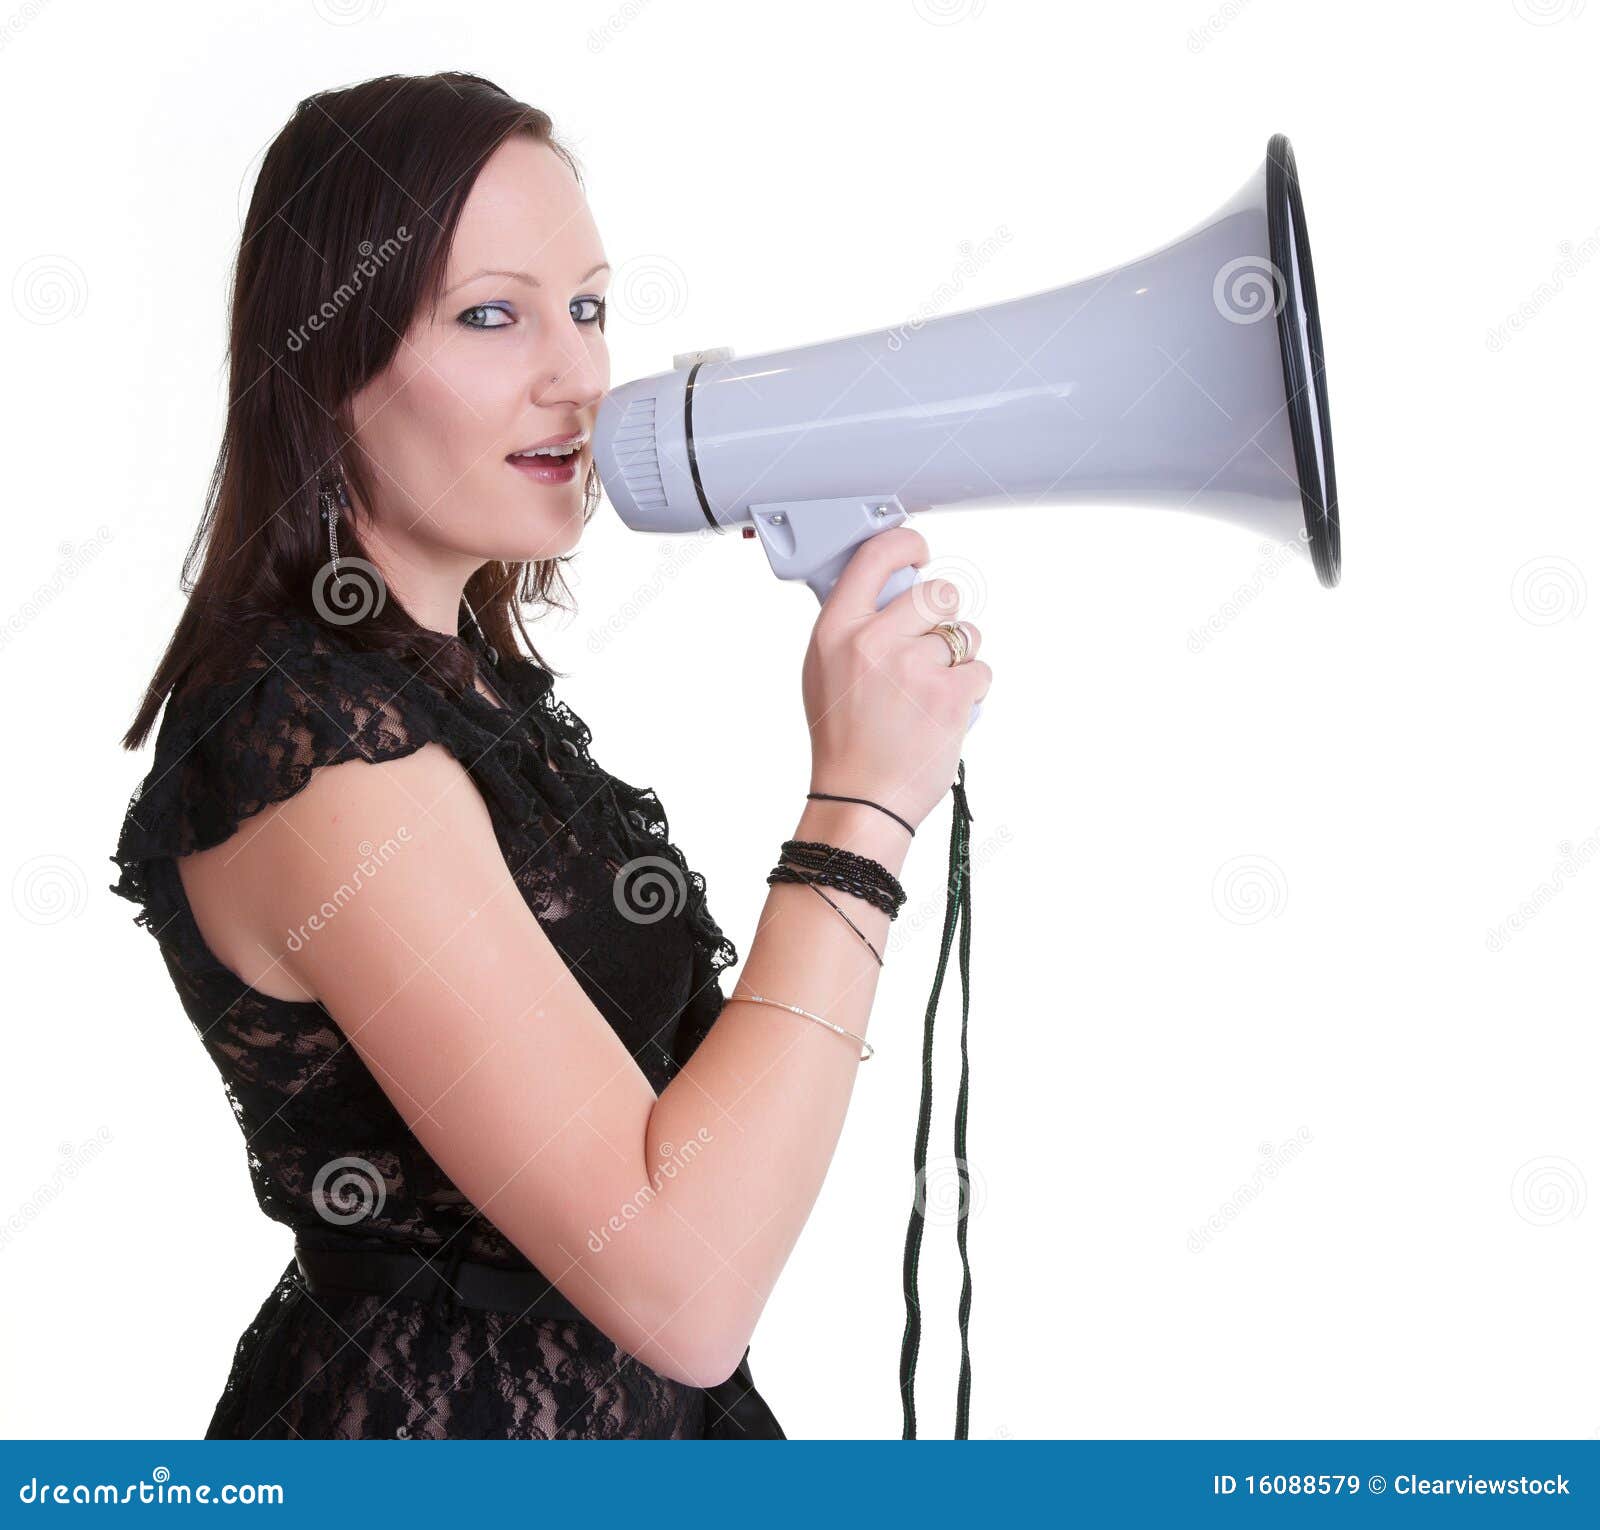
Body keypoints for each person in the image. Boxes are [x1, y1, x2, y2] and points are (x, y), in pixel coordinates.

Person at [110, 71, 991, 1441]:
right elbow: (687, 1290)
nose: (578, 374)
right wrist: (862, 805)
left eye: (586, 306)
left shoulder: (464, 702)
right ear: (327, 359)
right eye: (491, 313)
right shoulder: (320, 758)